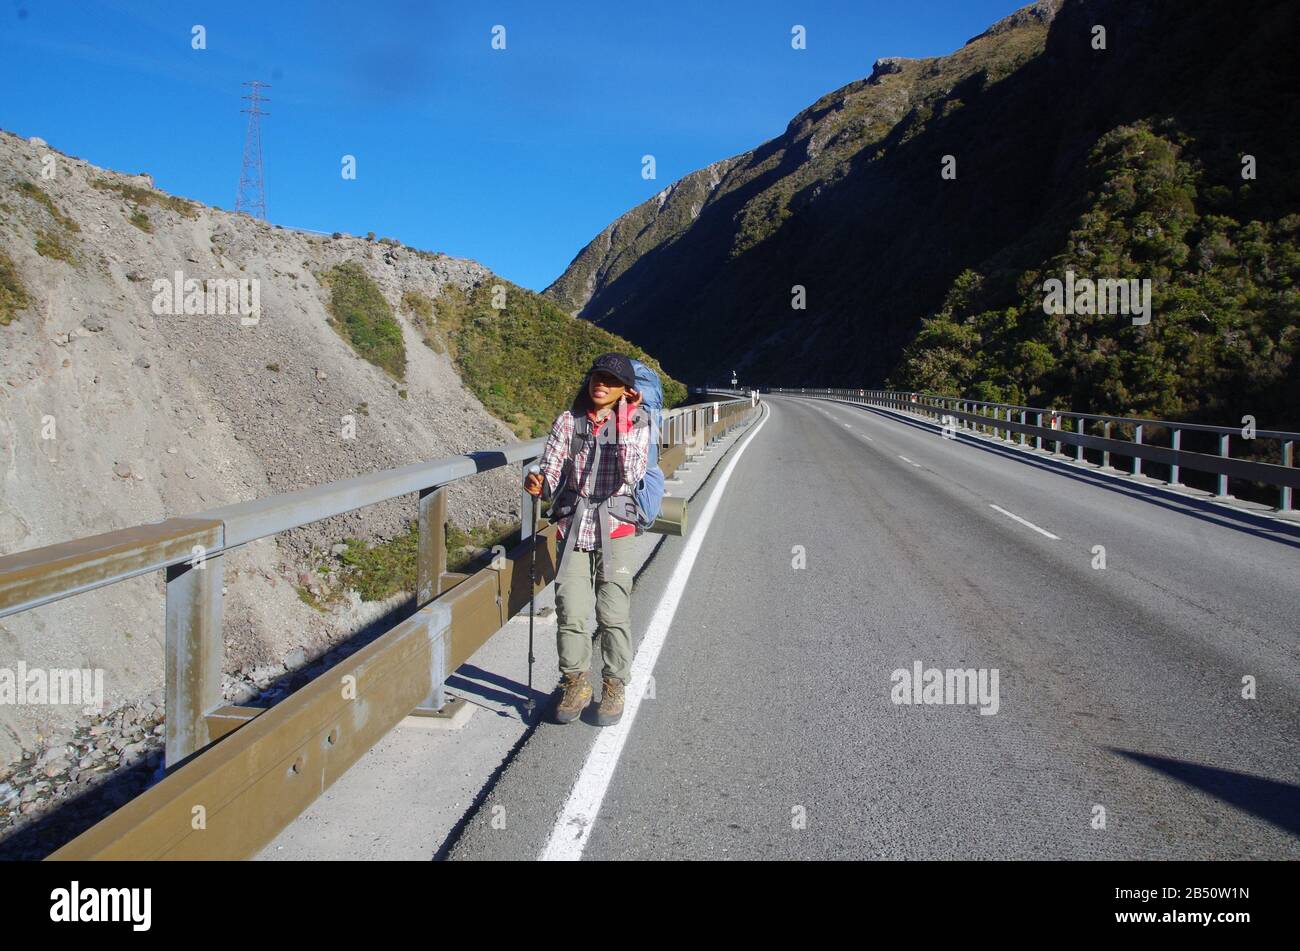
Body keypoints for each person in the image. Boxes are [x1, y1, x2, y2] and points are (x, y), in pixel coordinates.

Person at [524, 352, 651, 726]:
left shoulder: (640, 421)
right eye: (597, 376)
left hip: (617, 527)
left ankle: (614, 684)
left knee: (612, 613)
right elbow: (550, 472)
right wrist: (538, 483)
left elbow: (633, 473)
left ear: (626, 390)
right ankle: (576, 682)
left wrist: (625, 421)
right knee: (572, 611)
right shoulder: (568, 422)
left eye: (611, 381)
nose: (600, 384)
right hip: (573, 524)